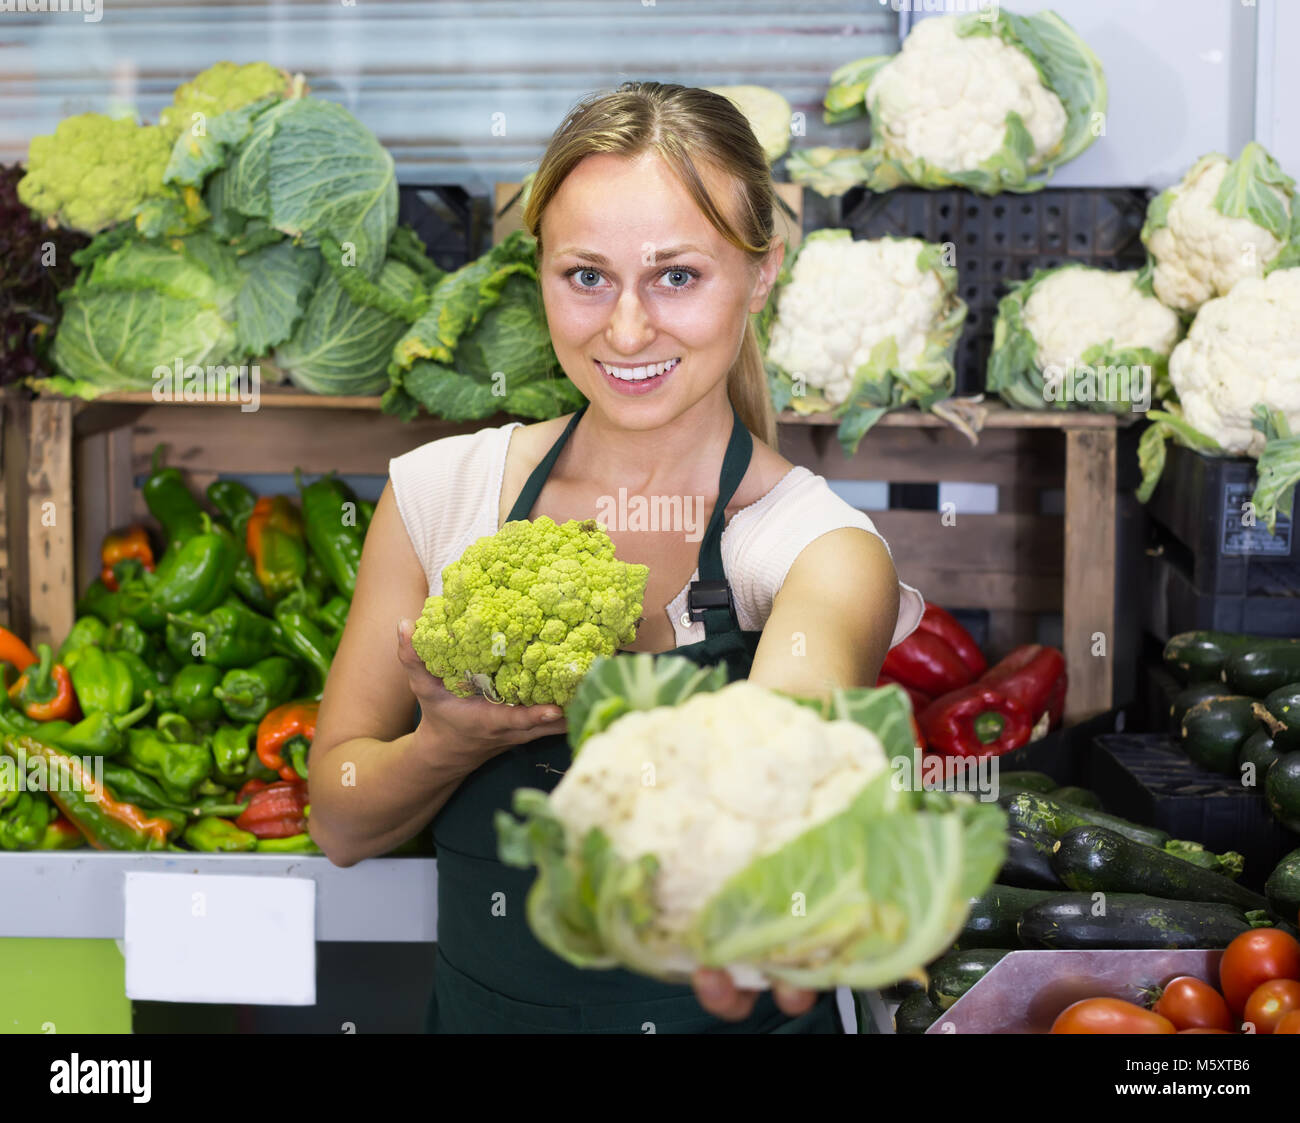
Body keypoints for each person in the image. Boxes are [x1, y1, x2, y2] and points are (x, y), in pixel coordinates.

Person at [310, 81, 925, 1034]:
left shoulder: (817, 551)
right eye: (585, 276)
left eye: (677, 275)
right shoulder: (442, 495)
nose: (626, 329)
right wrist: (447, 743)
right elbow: (339, 820)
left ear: (760, 277)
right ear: (541, 276)